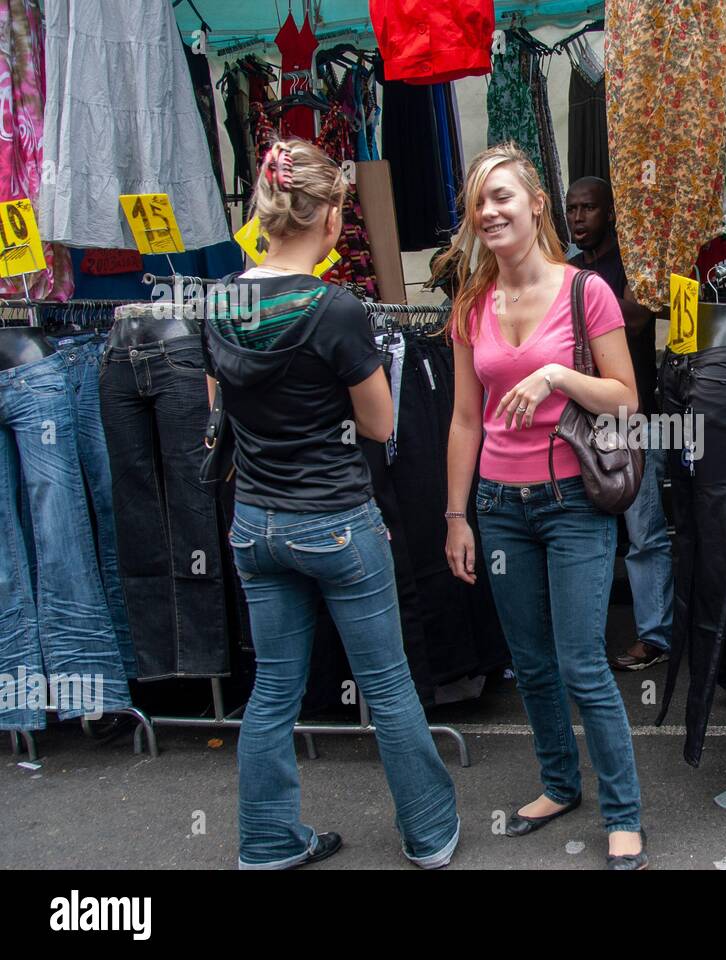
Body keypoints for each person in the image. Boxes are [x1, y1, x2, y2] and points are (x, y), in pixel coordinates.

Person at [204, 139, 460, 870]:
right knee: (387, 681)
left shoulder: (219, 300)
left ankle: (265, 842)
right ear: (328, 217)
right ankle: (430, 834)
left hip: (255, 521)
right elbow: (380, 425)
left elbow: (216, 410)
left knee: (273, 691)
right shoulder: (335, 309)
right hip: (336, 522)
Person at [440, 143, 648, 869]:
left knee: (581, 662)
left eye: (502, 197)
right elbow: (466, 419)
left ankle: (624, 812)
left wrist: (558, 374)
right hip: (499, 506)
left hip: (572, 504)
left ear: (536, 204)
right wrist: (456, 515)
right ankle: (560, 783)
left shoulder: (584, 291)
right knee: (529, 663)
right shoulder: (471, 304)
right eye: (478, 202)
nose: (489, 211)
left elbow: (625, 397)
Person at [565, 177, 674, 671]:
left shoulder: (630, 266)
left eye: (589, 208)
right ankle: (583, 636)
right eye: (572, 210)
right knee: (585, 529)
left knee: (643, 529)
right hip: (579, 418)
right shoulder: (564, 271)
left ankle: (654, 636)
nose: (579, 218)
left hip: (632, 418)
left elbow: (634, 317)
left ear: (610, 213)